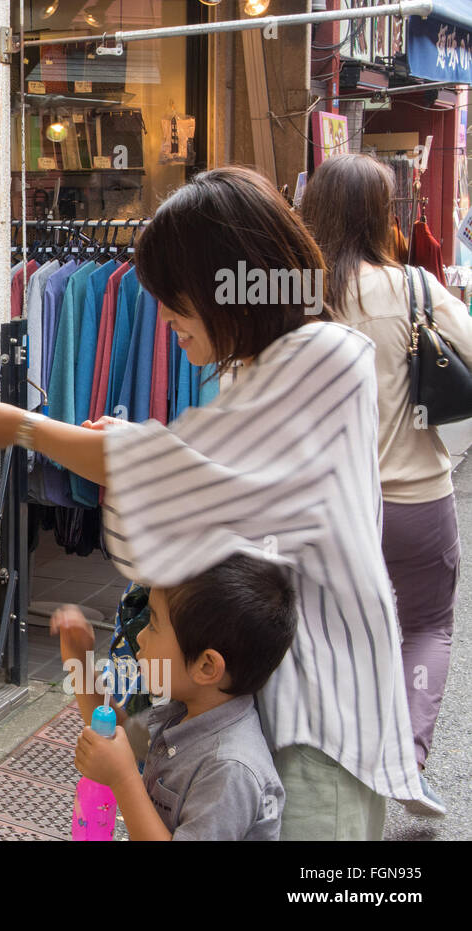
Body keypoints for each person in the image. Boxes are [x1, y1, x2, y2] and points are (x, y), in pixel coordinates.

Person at [0, 165, 436, 837]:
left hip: (318, 722)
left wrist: (22, 427)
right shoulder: (276, 362)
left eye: (175, 298)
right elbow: (210, 468)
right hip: (277, 704)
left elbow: (191, 475)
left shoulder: (322, 358)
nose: (162, 318)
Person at [301, 153, 471, 814]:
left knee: (338, 631)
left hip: (331, 506)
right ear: (384, 214)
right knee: (425, 625)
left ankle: (339, 755)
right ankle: (407, 760)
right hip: (418, 499)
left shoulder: (298, 296)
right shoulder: (416, 289)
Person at [53, 553, 296, 840]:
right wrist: (78, 661)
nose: (141, 637)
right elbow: (122, 736)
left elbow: (124, 760)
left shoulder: (231, 769)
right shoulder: (183, 711)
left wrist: (122, 778)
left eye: (154, 625)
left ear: (206, 667)